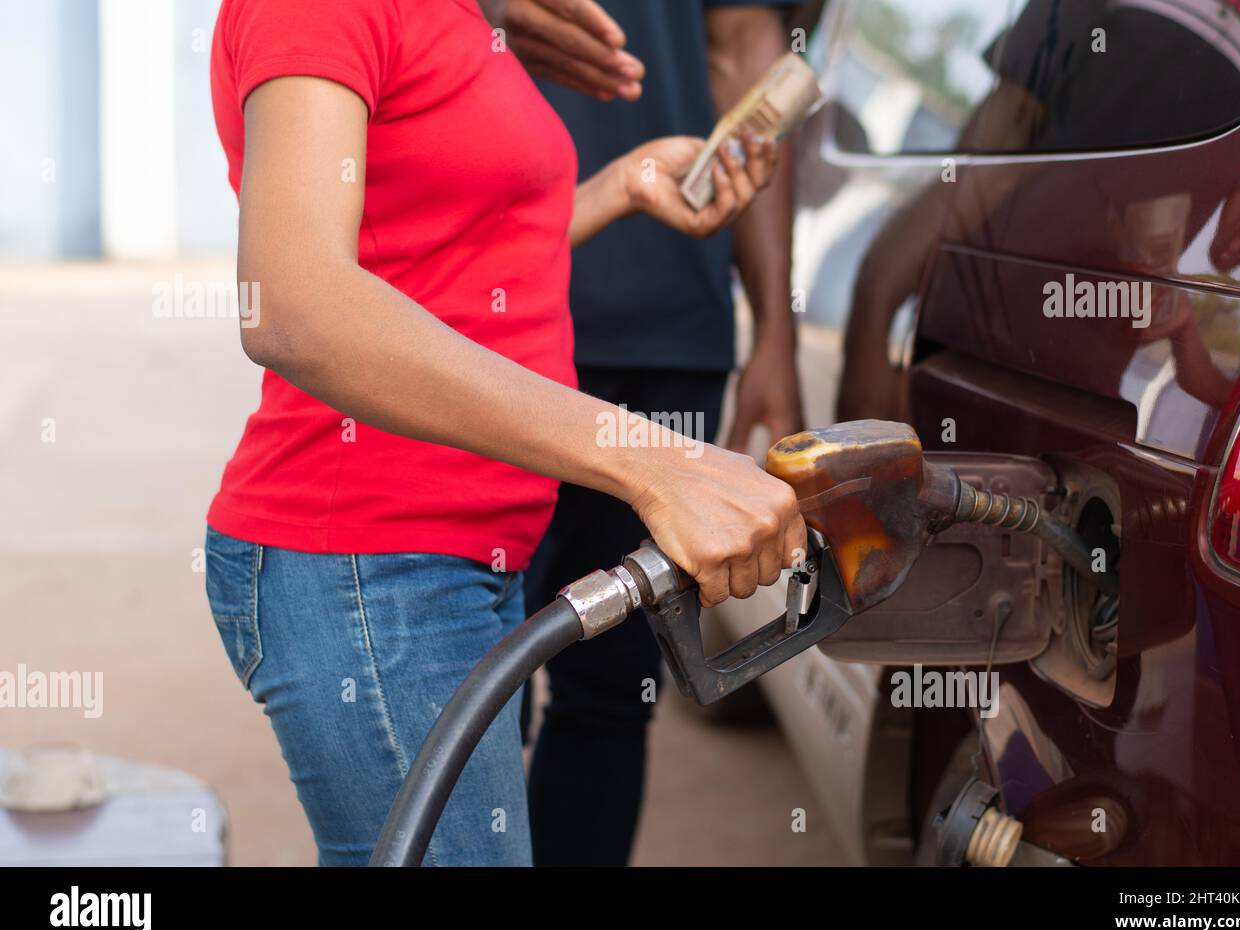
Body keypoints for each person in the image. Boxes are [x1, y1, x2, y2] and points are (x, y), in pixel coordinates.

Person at [203, 0, 806, 867]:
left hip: (453, 560)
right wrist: (651, 461)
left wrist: (622, 184)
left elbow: (448, 249)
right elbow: (293, 306)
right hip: (372, 562)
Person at [491, 0, 804, 866]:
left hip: (673, 326)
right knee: (475, 685)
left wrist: (771, 331)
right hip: (493, 324)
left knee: (615, 688)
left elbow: (746, 58)